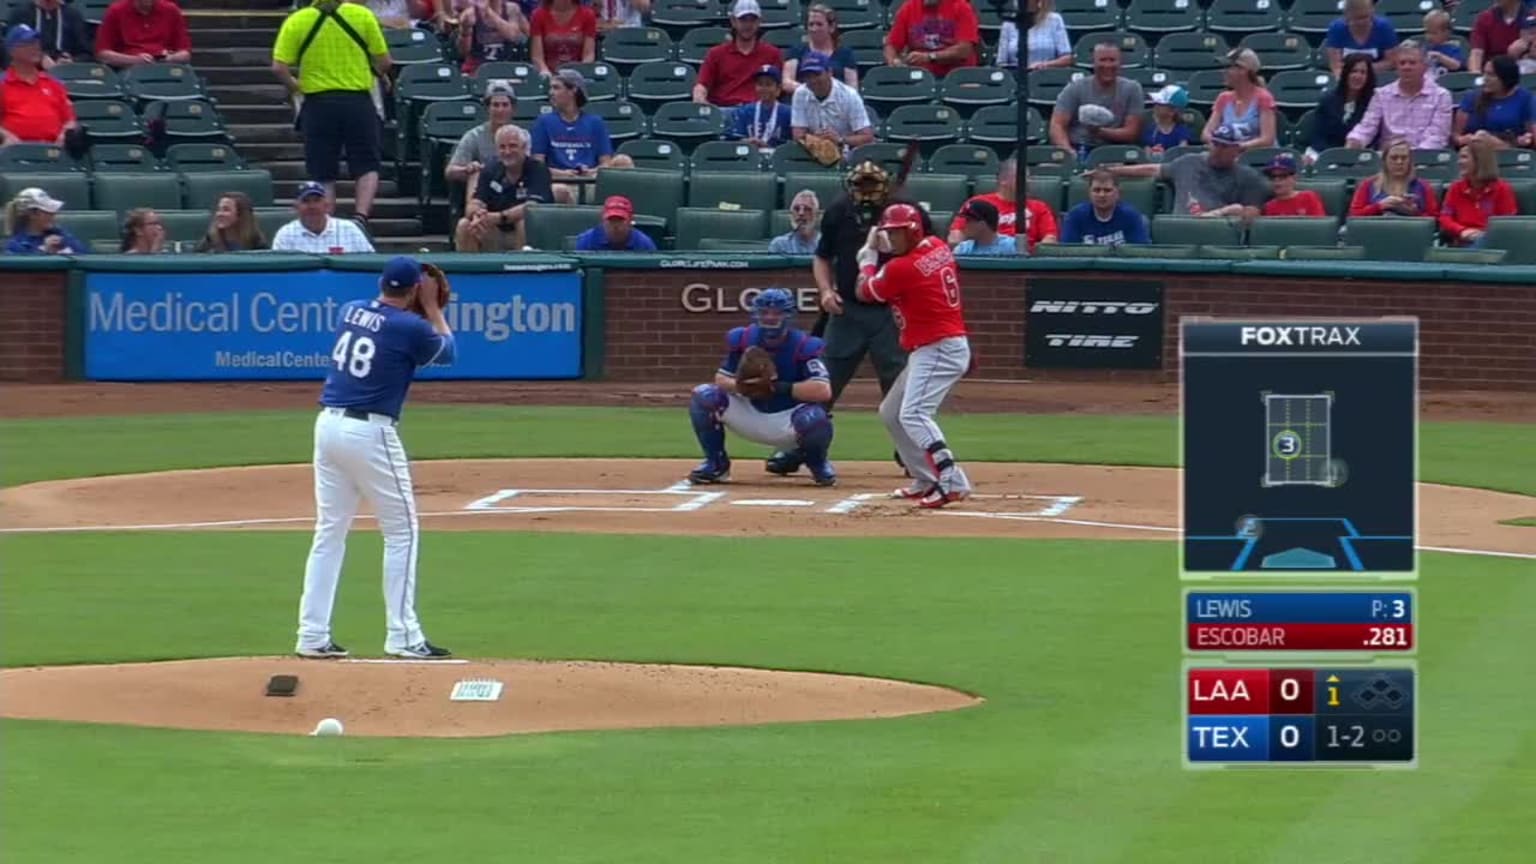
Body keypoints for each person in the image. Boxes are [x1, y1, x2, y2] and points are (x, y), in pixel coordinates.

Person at [295, 255, 456, 662]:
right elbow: (447, 352)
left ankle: (312, 635)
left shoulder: (351, 310)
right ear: (414, 289)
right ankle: (403, 636)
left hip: (327, 426)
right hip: (369, 433)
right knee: (402, 532)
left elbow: (383, 319)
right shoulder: (411, 327)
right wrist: (433, 308)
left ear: (382, 282)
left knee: (329, 533)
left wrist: (417, 299)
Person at [771, 160, 926, 481]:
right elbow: (822, 256)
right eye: (860, 185)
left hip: (890, 310)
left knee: (898, 383)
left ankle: (910, 452)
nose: (865, 192)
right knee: (823, 379)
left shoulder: (906, 209)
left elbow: (928, 253)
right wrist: (826, 291)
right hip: (847, 309)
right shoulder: (840, 210)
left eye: (872, 185)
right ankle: (801, 445)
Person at [855, 202, 972, 509]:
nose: (892, 239)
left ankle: (951, 480)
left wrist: (867, 260)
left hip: (939, 347)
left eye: (897, 234)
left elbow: (865, 291)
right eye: (889, 233)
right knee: (891, 412)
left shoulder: (902, 268)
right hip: (934, 345)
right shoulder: (937, 246)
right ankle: (925, 477)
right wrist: (883, 251)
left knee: (914, 414)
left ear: (913, 231)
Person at [685, 288, 836, 487]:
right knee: (704, 394)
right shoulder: (742, 338)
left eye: (777, 313)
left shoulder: (804, 345)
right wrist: (743, 387)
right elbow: (721, 378)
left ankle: (817, 464)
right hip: (749, 410)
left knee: (815, 418)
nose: (770, 318)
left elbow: (822, 390)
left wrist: (776, 388)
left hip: (787, 417)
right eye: (765, 312)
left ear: (789, 315)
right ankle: (716, 464)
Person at [272, 0, 390, 226]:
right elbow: (385, 60)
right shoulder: (363, 15)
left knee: (322, 169)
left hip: (318, 103)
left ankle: (327, 220)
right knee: (367, 163)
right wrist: (372, 73)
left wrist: (295, 86)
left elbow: (279, 66)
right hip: (357, 100)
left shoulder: (297, 20)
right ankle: (361, 217)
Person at [1109, 124, 1268, 220]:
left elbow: (1252, 213)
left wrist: (1225, 213)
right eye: (1215, 144)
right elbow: (1153, 169)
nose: (1217, 150)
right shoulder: (1188, 162)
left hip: (1217, 230)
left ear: (1237, 150)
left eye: (1224, 146)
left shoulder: (1248, 177)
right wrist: (1111, 171)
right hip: (1179, 227)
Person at [455, 124, 552, 251]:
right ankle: (471, 264)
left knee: (524, 223)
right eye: (502, 147)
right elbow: (476, 200)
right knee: (465, 225)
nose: (507, 152)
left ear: (524, 148)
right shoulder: (490, 169)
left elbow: (532, 207)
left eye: (513, 146)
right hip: (495, 232)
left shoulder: (538, 169)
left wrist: (500, 217)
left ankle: (522, 263)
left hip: (526, 233)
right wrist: (477, 214)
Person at [1346, 42, 1453, 151]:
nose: (1406, 67)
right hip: (1389, 155)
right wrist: (1355, 140)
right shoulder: (1381, 94)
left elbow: (1437, 136)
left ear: (1425, 67)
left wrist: (1410, 155)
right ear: (1396, 68)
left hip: (1425, 156)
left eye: (1412, 63)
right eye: (1402, 63)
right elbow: (1367, 127)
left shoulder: (1441, 96)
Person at [1049, 41, 1145, 161]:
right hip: (1079, 146)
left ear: (1120, 63)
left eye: (1112, 60)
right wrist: (1068, 151)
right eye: (1102, 60)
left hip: (1115, 151)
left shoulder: (1132, 88)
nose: (1107, 65)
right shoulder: (1075, 87)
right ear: (1093, 63)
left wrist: (1099, 132)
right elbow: (1057, 125)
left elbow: (1131, 132)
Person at [530, 68, 614, 203]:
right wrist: (563, 174)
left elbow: (606, 163)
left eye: (556, 88)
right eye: (551, 88)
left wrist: (591, 172)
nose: (551, 93)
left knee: (623, 161)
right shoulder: (543, 122)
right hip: (559, 183)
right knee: (558, 191)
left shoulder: (595, 122)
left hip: (590, 183)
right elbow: (537, 165)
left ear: (573, 90)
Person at [947, 158, 1057, 252]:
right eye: (1023, 177)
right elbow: (955, 237)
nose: (1028, 181)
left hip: (1024, 261)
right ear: (1003, 180)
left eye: (1029, 177)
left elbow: (1050, 239)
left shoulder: (1039, 207)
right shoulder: (978, 203)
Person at [1, 24, 77, 146]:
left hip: (53, 150)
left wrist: (65, 133)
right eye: (28, 43)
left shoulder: (53, 84)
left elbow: (69, 120)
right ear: (12, 51)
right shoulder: (3, 84)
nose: (35, 47)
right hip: (14, 151)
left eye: (36, 43)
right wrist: (4, 135)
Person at [695, 0, 783, 107]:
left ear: (759, 22)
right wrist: (701, 100)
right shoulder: (716, 54)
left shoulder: (772, 54)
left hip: (757, 109)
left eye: (752, 20)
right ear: (733, 21)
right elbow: (702, 85)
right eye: (743, 20)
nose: (748, 25)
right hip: (724, 108)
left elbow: (778, 87)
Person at [446, 80, 517, 207]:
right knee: (476, 174)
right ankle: (474, 213)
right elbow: (450, 171)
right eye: (495, 105)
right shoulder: (473, 136)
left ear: (512, 109)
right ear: (487, 108)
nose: (500, 110)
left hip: (514, 191)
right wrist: (467, 168)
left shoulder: (522, 136)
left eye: (505, 105)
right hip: (484, 192)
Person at [789, 52, 875, 155]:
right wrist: (815, 139)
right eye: (808, 76)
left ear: (829, 72)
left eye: (817, 75)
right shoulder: (800, 93)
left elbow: (867, 138)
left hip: (846, 153)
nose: (812, 80)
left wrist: (840, 139)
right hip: (812, 152)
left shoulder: (849, 95)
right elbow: (798, 135)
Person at [1439, 139, 1518, 246]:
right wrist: (1462, 231)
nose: (1459, 162)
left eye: (1464, 157)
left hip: (1491, 242)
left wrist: (1482, 234)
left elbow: (1507, 224)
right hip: (1461, 239)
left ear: (1480, 160)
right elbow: (1445, 218)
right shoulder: (1455, 188)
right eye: (1459, 157)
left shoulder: (1502, 189)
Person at [1453, 55, 1536, 148]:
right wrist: (1462, 139)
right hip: (1474, 149)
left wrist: (1526, 139)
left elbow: (1532, 135)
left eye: (1491, 75)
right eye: (1484, 73)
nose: (1485, 79)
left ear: (1506, 77)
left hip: (1511, 149)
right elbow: (1456, 136)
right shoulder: (1472, 97)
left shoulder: (1525, 98)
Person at [271, 181, 377, 253]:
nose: (312, 206)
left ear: (326, 205)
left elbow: (369, 261)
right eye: (306, 201)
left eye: (317, 201)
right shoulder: (285, 234)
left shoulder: (349, 229)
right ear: (296, 207)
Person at [1203, 48, 1276, 150]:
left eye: (1229, 67)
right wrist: (1217, 144)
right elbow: (1206, 133)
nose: (1224, 72)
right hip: (1227, 154)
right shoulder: (1223, 98)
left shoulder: (1264, 97)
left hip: (1254, 155)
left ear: (1243, 70)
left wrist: (1237, 147)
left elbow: (1267, 139)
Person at [883, 0, 979, 78]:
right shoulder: (908, 8)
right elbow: (891, 45)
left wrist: (929, 57)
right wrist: (894, 61)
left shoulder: (962, 7)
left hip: (958, 77)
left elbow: (964, 50)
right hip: (920, 77)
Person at [1348, 137, 1439, 218]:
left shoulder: (1424, 186)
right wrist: (1380, 206)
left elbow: (1435, 218)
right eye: (1394, 158)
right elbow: (1354, 215)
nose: (1399, 162)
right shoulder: (1368, 185)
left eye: (1404, 158)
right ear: (1384, 160)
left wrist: (1414, 213)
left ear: (1410, 161)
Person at [1308, 53, 1376, 160]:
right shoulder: (1327, 100)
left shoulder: (1374, 102)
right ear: (1346, 73)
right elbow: (1318, 136)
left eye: (1363, 72)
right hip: (1327, 153)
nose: (1358, 76)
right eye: (1354, 71)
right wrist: (1335, 155)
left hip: (1361, 154)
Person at [1059, 169, 1149, 246]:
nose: (1101, 195)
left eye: (1107, 190)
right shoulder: (1075, 216)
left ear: (1117, 193)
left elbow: (1140, 253)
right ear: (1089, 193)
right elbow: (1067, 253)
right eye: (1096, 190)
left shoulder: (1131, 216)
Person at [94, 0, 190, 70]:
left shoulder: (171, 10)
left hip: (165, 67)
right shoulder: (116, 11)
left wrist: (170, 58)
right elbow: (102, 54)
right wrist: (134, 60)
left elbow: (185, 54)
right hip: (128, 70)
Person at [782, 4, 858, 93]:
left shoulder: (845, 54)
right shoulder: (797, 51)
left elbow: (852, 88)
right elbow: (787, 82)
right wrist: (813, 90)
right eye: (811, 24)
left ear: (831, 27)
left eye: (819, 24)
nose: (814, 29)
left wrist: (828, 93)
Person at [4, 0, 91, 68]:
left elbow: (86, 54)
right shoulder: (20, 14)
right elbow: (10, 50)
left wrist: (72, 61)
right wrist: (40, 59)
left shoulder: (73, 15)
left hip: (66, 72)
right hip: (31, 69)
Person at [1324, 0, 1399, 76]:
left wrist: (1361, 69)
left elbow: (1391, 61)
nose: (1361, 22)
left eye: (1365, 17)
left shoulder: (1384, 27)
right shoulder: (1337, 28)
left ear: (1372, 13)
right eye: (1356, 18)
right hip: (1347, 76)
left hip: (1378, 76)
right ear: (1347, 17)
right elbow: (1336, 64)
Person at [725, 65, 792, 148]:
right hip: (749, 154)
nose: (764, 88)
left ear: (778, 89)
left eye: (768, 84)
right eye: (760, 84)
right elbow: (733, 139)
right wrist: (747, 142)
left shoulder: (788, 113)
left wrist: (768, 145)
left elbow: (791, 142)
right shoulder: (744, 112)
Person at [4, 186, 83, 254]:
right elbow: (23, 265)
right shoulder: (16, 244)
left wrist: (65, 246)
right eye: (47, 212)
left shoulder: (60, 233)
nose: (53, 215)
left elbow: (84, 254)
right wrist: (44, 251)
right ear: (32, 214)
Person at [996, 0, 1071, 71]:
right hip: (1015, 75)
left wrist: (1044, 65)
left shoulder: (1055, 20)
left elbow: (1067, 58)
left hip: (1045, 74)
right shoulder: (1008, 24)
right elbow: (1001, 63)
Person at [457, 0, 526, 75]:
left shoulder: (511, 9)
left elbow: (514, 36)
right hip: (477, 67)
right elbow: (463, 52)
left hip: (507, 66)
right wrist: (466, 29)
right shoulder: (469, 13)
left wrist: (489, 14)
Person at [529, 0, 596, 77]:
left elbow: (589, 55)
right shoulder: (538, 15)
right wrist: (545, 72)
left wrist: (580, 72)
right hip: (549, 74)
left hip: (577, 75)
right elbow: (537, 57)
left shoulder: (588, 15)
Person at [573, 195, 658, 251]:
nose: (615, 226)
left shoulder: (644, 244)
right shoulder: (587, 241)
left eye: (620, 220)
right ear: (603, 220)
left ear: (630, 221)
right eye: (611, 220)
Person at [1469, 0, 1530, 73]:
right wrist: (1475, 72)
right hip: (1492, 71)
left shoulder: (1531, 18)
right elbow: (1476, 53)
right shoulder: (1485, 18)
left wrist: (1527, 42)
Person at [198, 191, 269, 252]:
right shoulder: (209, 241)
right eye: (218, 209)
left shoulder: (257, 243)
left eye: (226, 210)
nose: (219, 214)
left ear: (241, 215)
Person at [1260, 154, 1326, 217]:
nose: (1276, 180)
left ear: (1294, 178)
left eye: (1283, 176)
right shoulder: (1268, 206)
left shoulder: (1308, 197)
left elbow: (1320, 223)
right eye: (1272, 176)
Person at [950, 198, 1017, 256]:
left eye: (968, 220)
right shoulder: (963, 249)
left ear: (982, 224)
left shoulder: (1012, 246)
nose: (964, 224)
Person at [1142, 84, 1192, 156]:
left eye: (1160, 104)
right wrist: (1153, 153)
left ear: (1172, 111)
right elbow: (1146, 154)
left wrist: (1165, 155)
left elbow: (1182, 153)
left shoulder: (1181, 131)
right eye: (1156, 103)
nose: (1155, 106)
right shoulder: (1151, 129)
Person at [768, 189, 821, 254]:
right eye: (796, 209)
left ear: (817, 215)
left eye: (807, 209)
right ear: (791, 214)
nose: (801, 213)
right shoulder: (779, 245)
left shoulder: (828, 243)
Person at [1423, 10, 1465, 79]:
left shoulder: (1453, 48)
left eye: (1434, 33)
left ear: (1446, 33)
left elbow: (1457, 66)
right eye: (1427, 32)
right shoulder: (1426, 48)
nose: (1429, 36)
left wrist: (1440, 57)